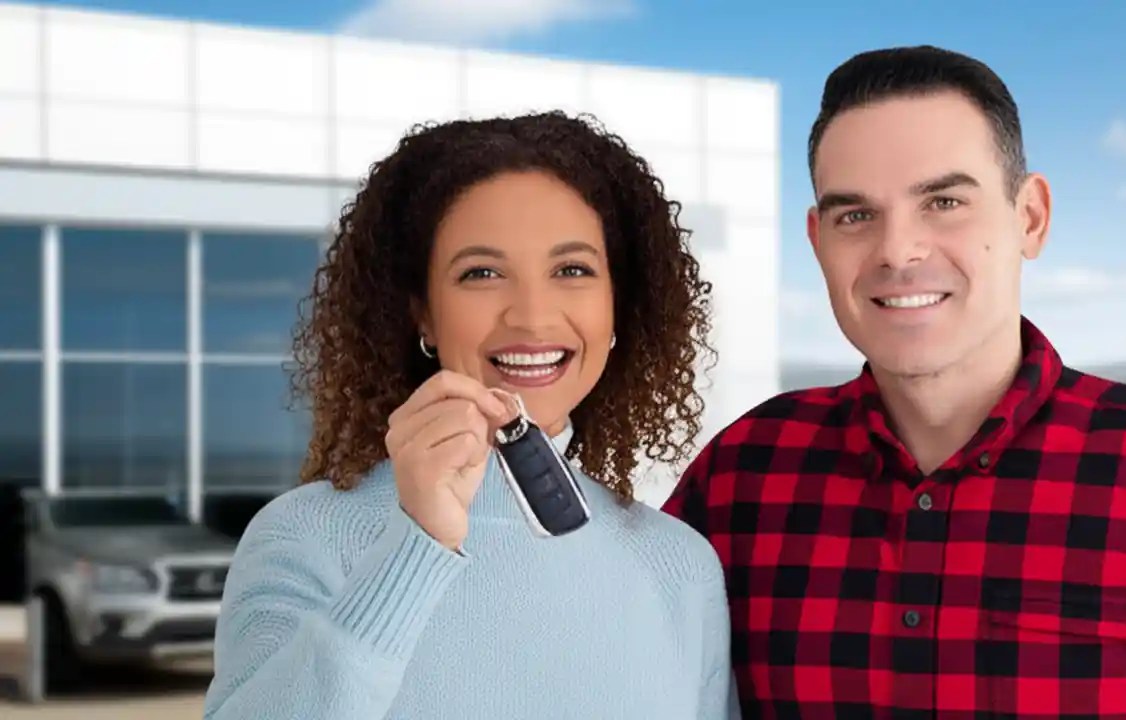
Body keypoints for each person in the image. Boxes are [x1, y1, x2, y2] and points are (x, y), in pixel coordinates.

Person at [663, 45, 1126, 718]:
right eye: (855, 215)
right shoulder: (739, 479)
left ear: (1030, 218)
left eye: (944, 201)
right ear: (818, 241)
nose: (899, 250)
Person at [203, 111, 738, 719]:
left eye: (573, 270)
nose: (533, 317)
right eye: (481, 273)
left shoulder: (678, 564)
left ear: (619, 306)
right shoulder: (306, 536)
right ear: (422, 314)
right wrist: (418, 545)